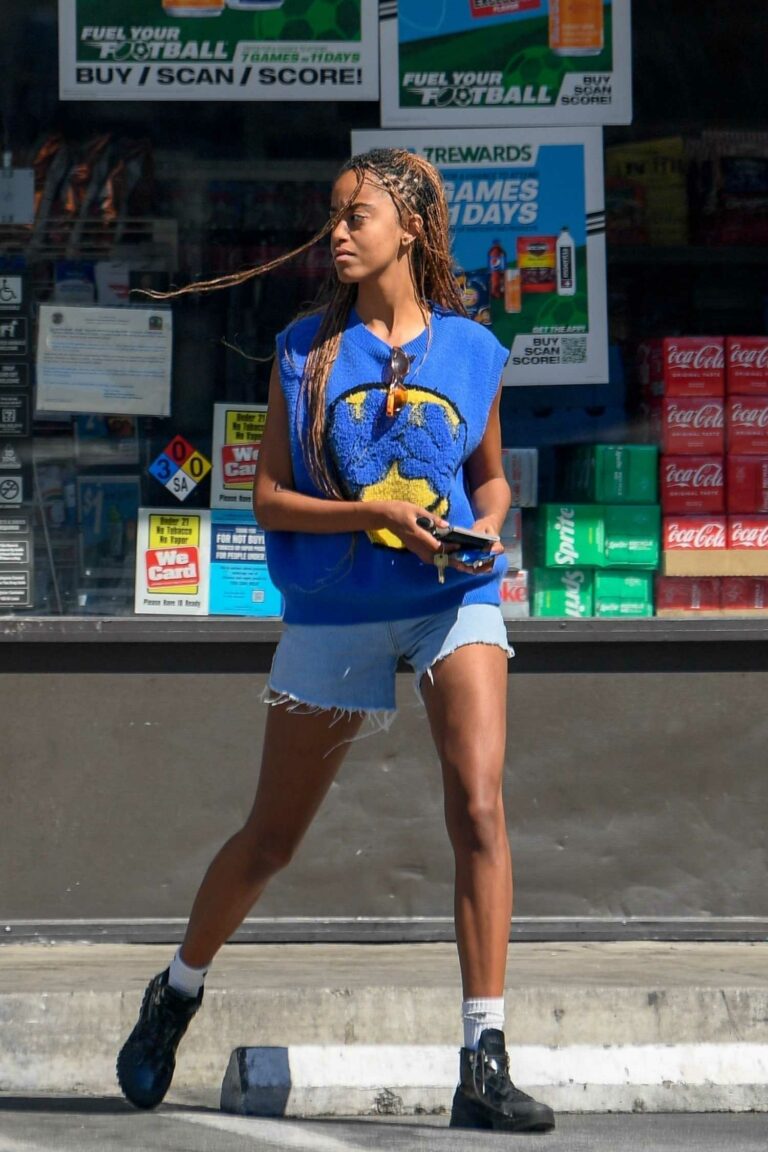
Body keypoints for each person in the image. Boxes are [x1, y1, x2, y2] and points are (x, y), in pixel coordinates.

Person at [116, 147, 555, 1135]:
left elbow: (488, 478)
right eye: (334, 217)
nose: (339, 234)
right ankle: (176, 991)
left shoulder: (471, 350)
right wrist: (373, 516)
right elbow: (269, 497)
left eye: (357, 216)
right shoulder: (306, 350)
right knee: (272, 838)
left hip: (452, 594)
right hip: (337, 606)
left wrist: (489, 526)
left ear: (411, 231)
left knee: (479, 806)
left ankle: (484, 1060)